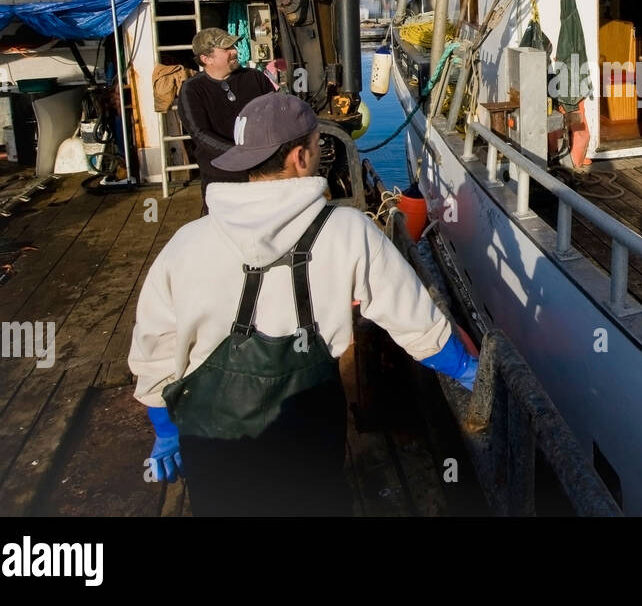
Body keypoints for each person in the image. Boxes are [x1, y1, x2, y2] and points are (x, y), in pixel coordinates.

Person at [128, 93, 478, 515]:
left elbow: (155, 348)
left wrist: (165, 428)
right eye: (318, 145)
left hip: (213, 447)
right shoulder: (348, 230)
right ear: (299, 156)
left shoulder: (186, 242)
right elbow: (417, 325)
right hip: (307, 442)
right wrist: (467, 370)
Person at [177, 27, 275, 210]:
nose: (234, 51)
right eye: (226, 49)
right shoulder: (192, 90)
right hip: (221, 178)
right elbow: (200, 134)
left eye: (233, 46)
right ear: (206, 59)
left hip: (263, 173)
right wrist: (241, 154)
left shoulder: (254, 77)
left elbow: (275, 113)